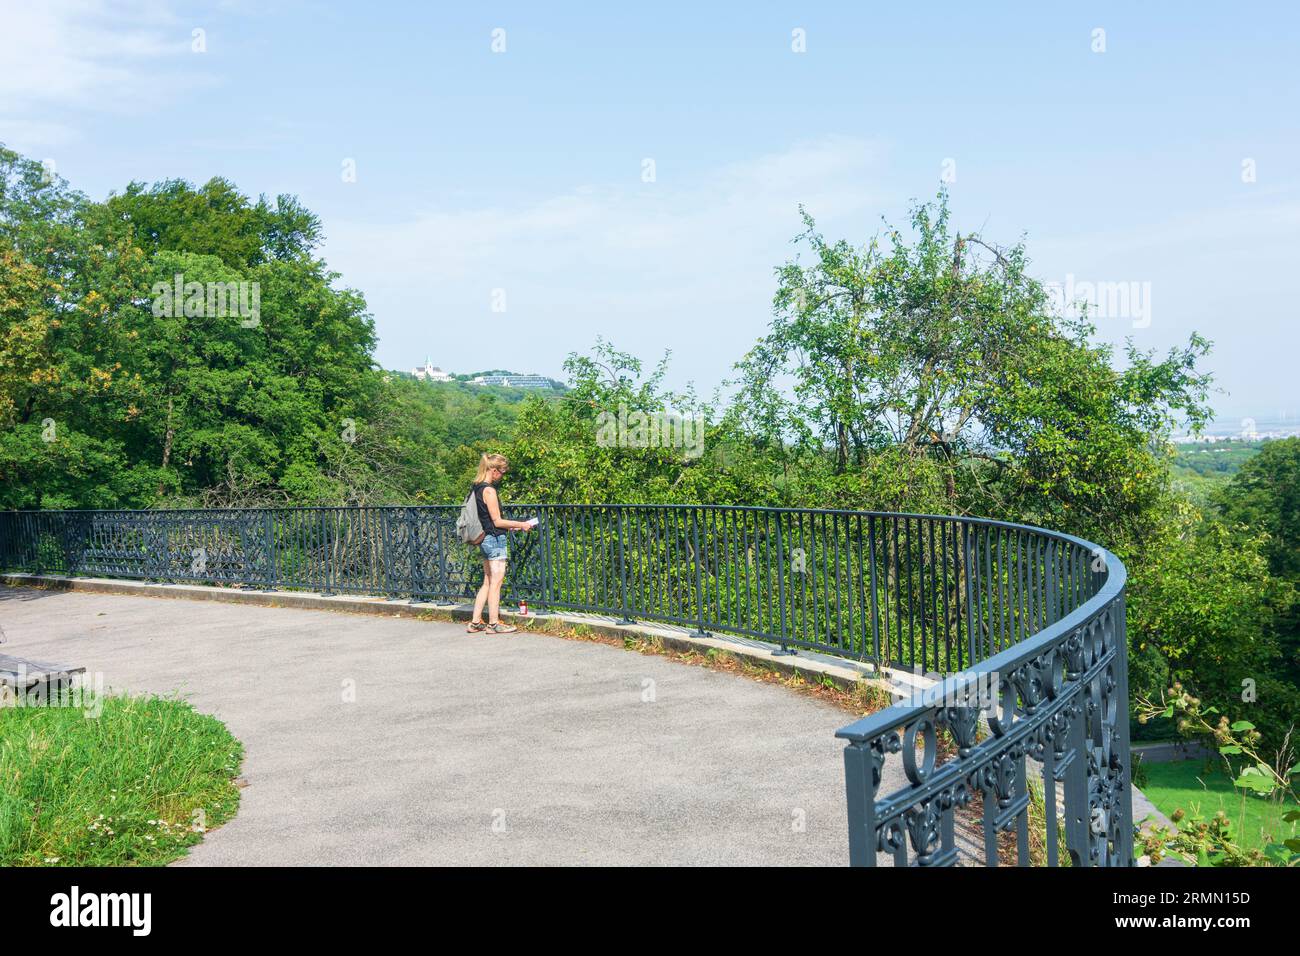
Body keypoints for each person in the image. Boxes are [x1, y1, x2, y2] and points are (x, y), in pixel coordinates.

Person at [467, 453, 532, 634]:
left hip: (485, 539)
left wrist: (510, 528)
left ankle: (475, 622)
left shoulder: (477, 488)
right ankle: (494, 623)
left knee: (487, 582)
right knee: (496, 581)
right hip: (494, 540)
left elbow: (488, 520)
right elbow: (497, 521)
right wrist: (522, 524)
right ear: (493, 471)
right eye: (502, 473)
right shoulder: (489, 490)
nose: (502, 477)